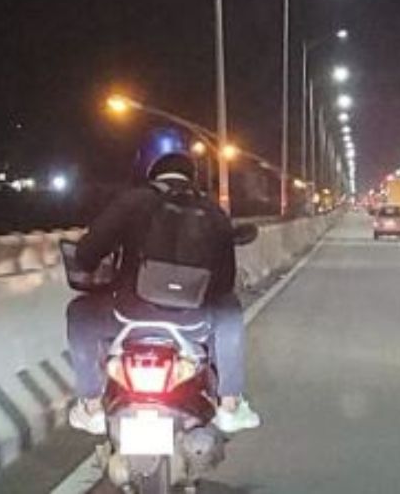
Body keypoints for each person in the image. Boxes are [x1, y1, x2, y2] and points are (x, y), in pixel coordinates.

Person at [66, 127, 261, 435]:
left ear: (148, 169)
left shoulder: (131, 202)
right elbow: (224, 283)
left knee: (78, 313)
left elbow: (87, 254)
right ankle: (230, 405)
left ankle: (90, 405)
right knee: (229, 312)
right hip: (193, 324)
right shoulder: (213, 212)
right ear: (191, 174)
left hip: (127, 317)